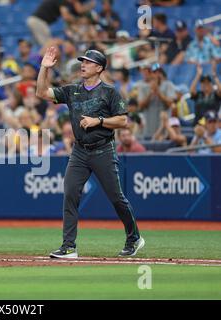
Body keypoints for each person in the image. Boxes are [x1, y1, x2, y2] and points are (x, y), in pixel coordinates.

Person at [36, 48, 144, 258]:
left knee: (116, 198)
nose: (83, 65)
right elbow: (41, 93)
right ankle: (69, 246)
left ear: (99, 68)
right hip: (79, 151)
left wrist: (99, 121)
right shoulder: (73, 90)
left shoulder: (110, 92)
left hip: (103, 149)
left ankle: (134, 238)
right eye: (82, 61)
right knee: (70, 193)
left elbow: (123, 121)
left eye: (88, 62)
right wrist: (44, 68)